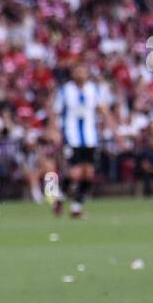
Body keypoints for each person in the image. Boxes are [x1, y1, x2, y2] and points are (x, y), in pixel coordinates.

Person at [51, 63, 106, 218]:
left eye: (83, 71)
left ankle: (76, 207)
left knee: (88, 173)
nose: (80, 74)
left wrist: (114, 128)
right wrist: (53, 130)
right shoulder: (65, 90)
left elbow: (102, 109)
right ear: (73, 73)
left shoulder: (93, 89)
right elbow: (55, 112)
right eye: (78, 71)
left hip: (90, 137)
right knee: (75, 172)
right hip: (72, 136)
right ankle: (61, 196)